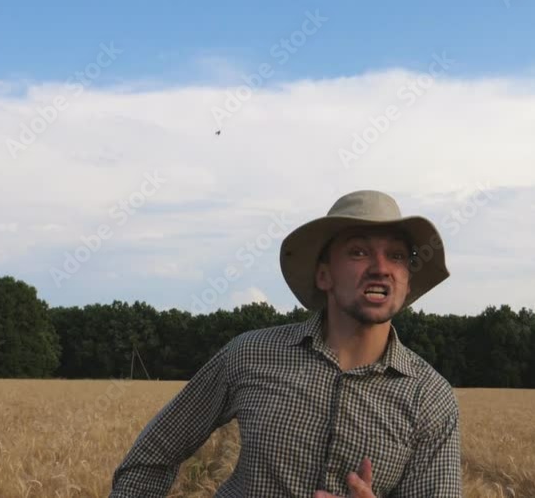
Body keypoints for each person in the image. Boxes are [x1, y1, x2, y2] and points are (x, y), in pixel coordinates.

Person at [110, 190, 462, 497]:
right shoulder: (250, 354)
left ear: (405, 279)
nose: (381, 267)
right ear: (323, 275)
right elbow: (153, 455)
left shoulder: (431, 398)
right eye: (358, 252)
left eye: (397, 256)